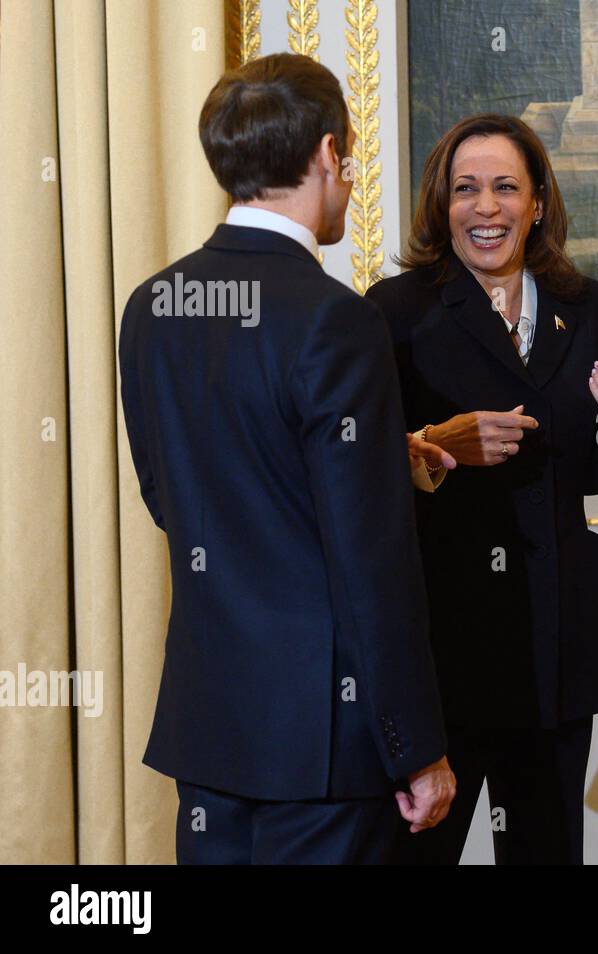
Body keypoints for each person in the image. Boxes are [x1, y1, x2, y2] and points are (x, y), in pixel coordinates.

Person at [118, 53, 456, 864]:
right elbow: (369, 557)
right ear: (331, 155)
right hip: (324, 744)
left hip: (212, 731)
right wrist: (415, 745)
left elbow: (177, 496)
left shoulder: (153, 304)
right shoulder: (336, 321)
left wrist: (387, 458)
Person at [365, 114, 598, 864]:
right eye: (465, 190)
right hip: (442, 653)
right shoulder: (395, 312)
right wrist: (438, 445)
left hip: (555, 645)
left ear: (538, 203)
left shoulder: (587, 306)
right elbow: (358, 471)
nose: (484, 207)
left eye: (503, 188)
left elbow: (591, 469)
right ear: (441, 204)